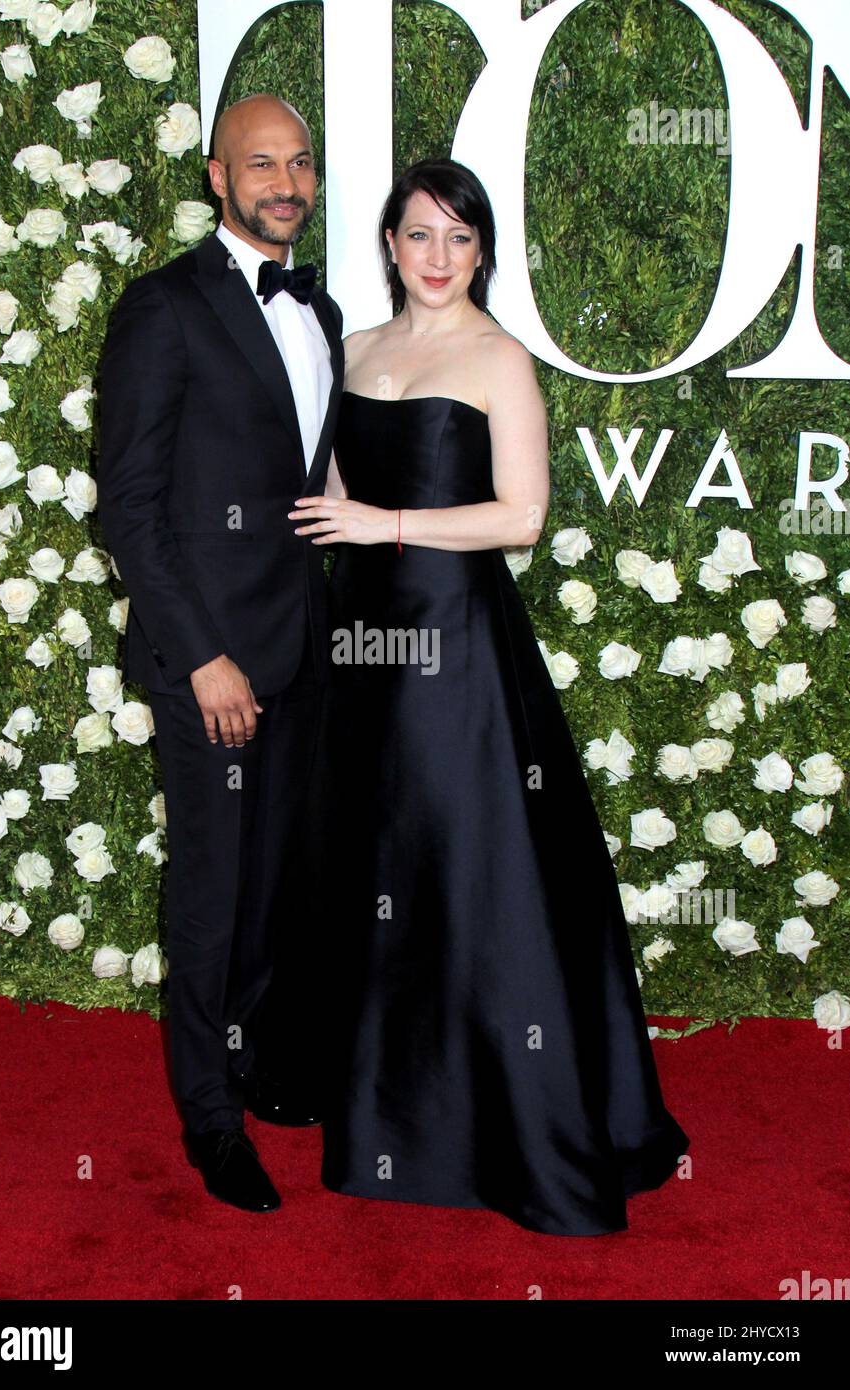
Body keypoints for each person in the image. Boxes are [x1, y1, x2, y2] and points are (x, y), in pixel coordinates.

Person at [289, 157, 690, 1236]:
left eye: (458, 239)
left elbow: (520, 518)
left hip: (454, 646)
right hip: (357, 642)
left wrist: (389, 526)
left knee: (472, 866)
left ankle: (508, 1122)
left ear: (481, 252)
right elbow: (327, 493)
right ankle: (388, 1109)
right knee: (376, 864)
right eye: (419, 235)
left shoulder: (497, 359)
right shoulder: (353, 350)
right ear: (388, 242)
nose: (436, 257)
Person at [96, 94, 344, 1213]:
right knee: (207, 891)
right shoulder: (163, 307)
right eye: (261, 165)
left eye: (298, 162)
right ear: (216, 176)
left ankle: (251, 1063)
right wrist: (200, 658)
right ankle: (207, 1116)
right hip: (210, 665)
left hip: (295, 650)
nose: (284, 182)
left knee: (269, 884)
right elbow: (130, 508)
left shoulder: (323, 309)